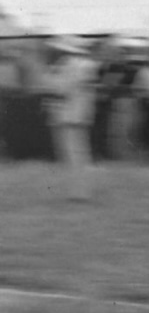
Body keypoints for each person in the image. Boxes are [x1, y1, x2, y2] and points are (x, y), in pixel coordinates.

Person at [42, 36, 99, 202]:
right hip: (80, 115)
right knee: (80, 154)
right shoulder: (87, 65)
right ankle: (80, 191)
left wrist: (51, 78)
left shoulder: (66, 66)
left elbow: (58, 88)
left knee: (71, 156)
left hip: (66, 115)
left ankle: (78, 193)